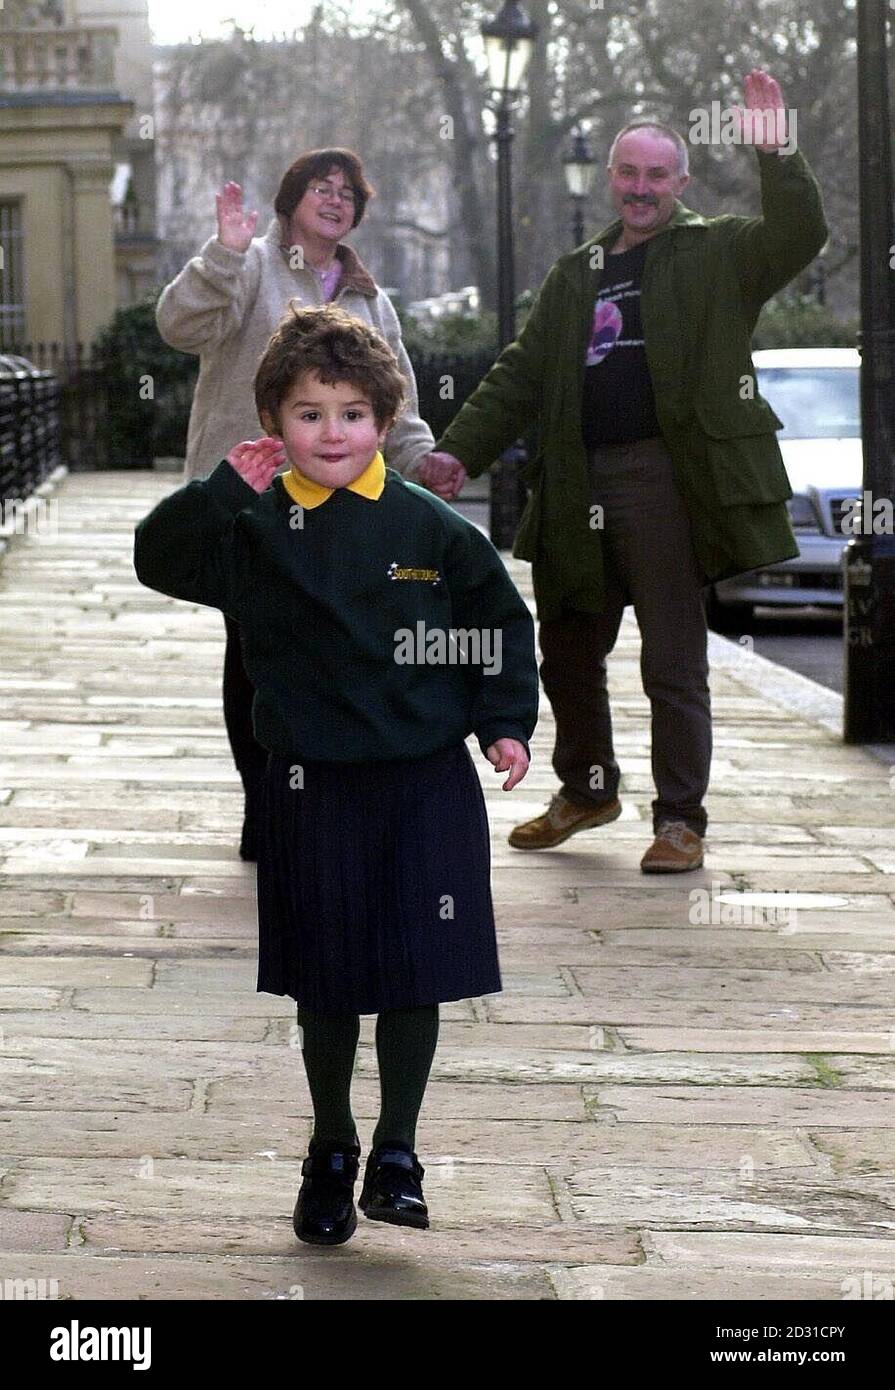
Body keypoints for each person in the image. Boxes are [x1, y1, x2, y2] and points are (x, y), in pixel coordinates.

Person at [133, 303, 539, 1245]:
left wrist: (502, 723)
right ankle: (330, 1146)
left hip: (424, 782)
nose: (331, 432)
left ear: (384, 422)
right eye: (309, 413)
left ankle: (398, 1152)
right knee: (326, 980)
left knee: (417, 970)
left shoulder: (430, 527)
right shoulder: (254, 525)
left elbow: (496, 624)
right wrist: (220, 494)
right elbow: (158, 560)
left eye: (351, 413)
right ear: (273, 420)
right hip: (310, 786)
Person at [419, 70, 828, 873]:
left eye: (656, 175)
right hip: (575, 480)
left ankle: (679, 821)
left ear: (680, 182)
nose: (639, 189)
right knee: (566, 651)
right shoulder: (576, 272)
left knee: (672, 661)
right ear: (611, 178)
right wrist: (456, 449)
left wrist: (777, 153)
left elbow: (799, 233)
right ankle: (588, 789)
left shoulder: (719, 252)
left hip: (664, 480)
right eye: (627, 173)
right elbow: (521, 372)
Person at [155, 149, 437, 859]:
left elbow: (392, 391)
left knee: (325, 649)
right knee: (254, 649)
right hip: (253, 495)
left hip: (341, 507)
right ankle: (267, 807)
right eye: (321, 187)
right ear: (291, 199)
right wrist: (221, 252)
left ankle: (315, 798)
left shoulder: (368, 298)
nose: (335, 200)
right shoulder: (248, 264)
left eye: (347, 192)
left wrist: (420, 456)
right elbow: (177, 325)